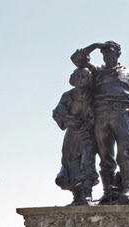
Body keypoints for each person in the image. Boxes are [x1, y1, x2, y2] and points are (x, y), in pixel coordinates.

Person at [71, 41, 129, 204]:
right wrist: (96, 45)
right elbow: (77, 59)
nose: (107, 55)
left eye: (110, 52)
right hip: (101, 115)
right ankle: (108, 191)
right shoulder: (97, 72)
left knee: (125, 152)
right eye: (104, 52)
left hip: (122, 113)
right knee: (105, 156)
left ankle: (127, 188)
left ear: (118, 54)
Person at [52, 67, 98, 205]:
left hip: (89, 133)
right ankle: (77, 196)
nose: (81, 80)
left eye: (84, 77)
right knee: (70, 162)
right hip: (72, 135)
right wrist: (69, 120)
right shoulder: (68, 96)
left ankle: (87, 193)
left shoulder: (94, 95)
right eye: (78, 77)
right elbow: (57, 112)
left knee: (87, 161)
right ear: (73, 79)